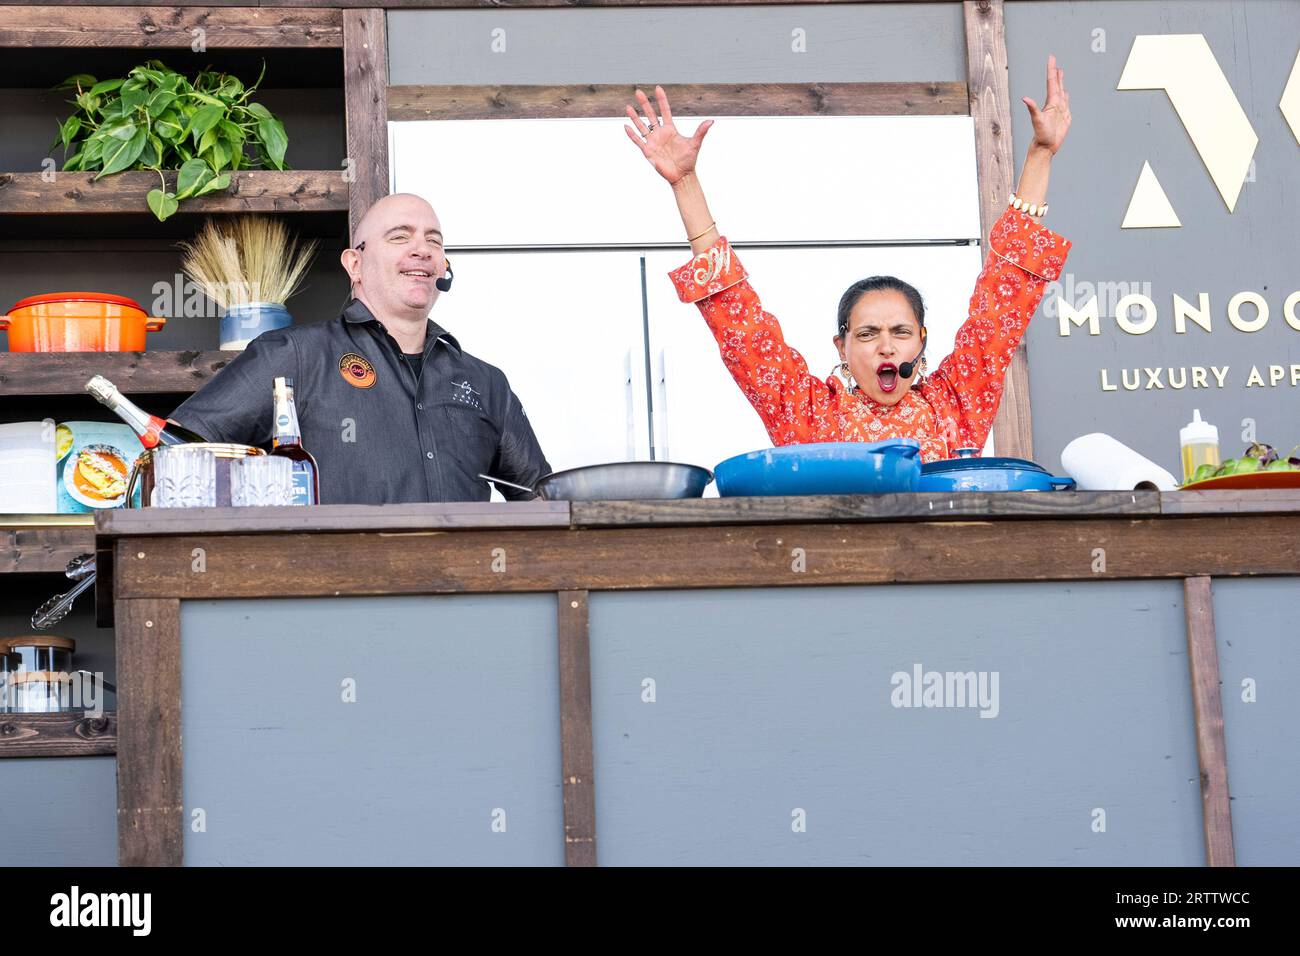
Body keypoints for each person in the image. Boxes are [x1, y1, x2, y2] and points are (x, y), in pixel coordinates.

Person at [623, 56, 1074, 462]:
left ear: (920, 341)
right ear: (841, 347)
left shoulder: (956, 403)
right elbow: (740, 325)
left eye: (900, 332)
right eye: (867, 333)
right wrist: (685, 183)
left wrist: (1040, 154)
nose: (886, 345)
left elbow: (1002, 308)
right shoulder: (809, 415)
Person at [168, 193, 551, 503]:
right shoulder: (295, 356)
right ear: (355, 263)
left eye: (433, 240)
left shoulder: (485, 382)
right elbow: (178, 450)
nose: (422, 249)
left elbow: (540, 501)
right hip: (335, 595)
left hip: (466, 595)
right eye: (400, 236)